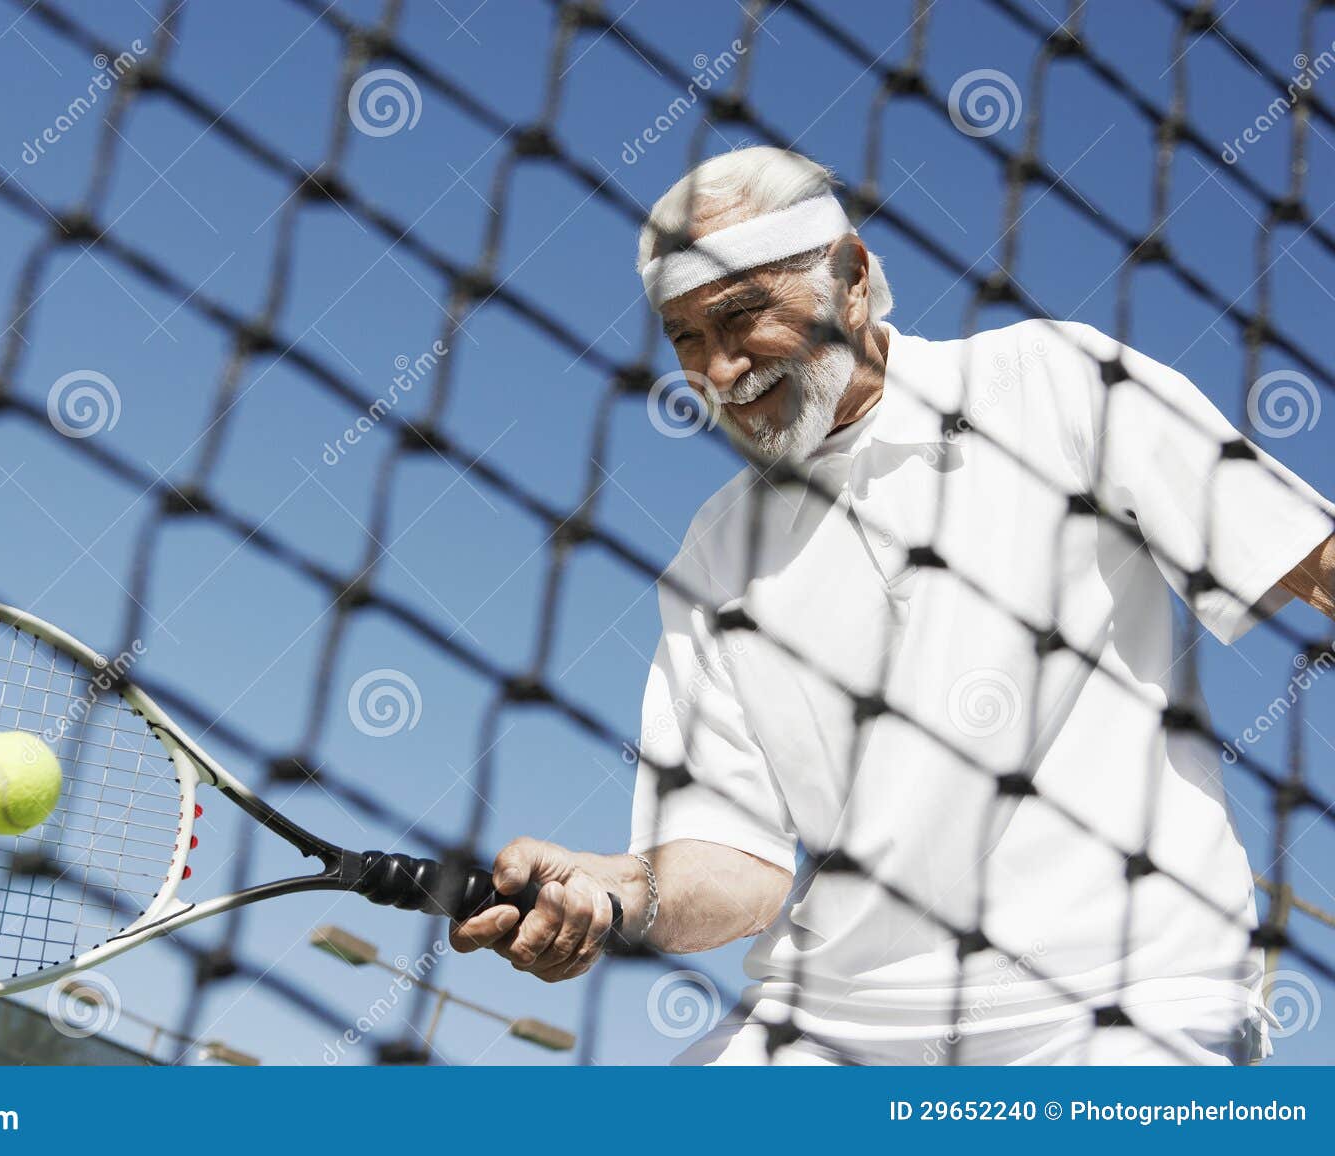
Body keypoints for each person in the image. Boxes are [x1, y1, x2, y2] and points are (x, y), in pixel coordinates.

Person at [449, 146, 1335, 1065]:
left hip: (1131, 998)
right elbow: (735, 863)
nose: (717, 371)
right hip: (830, 1029)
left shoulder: (1053, 381)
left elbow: (1308, 560)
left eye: (742, 317)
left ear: (853, 280)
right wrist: (618, 890)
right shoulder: (712, 560)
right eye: (685, 339)